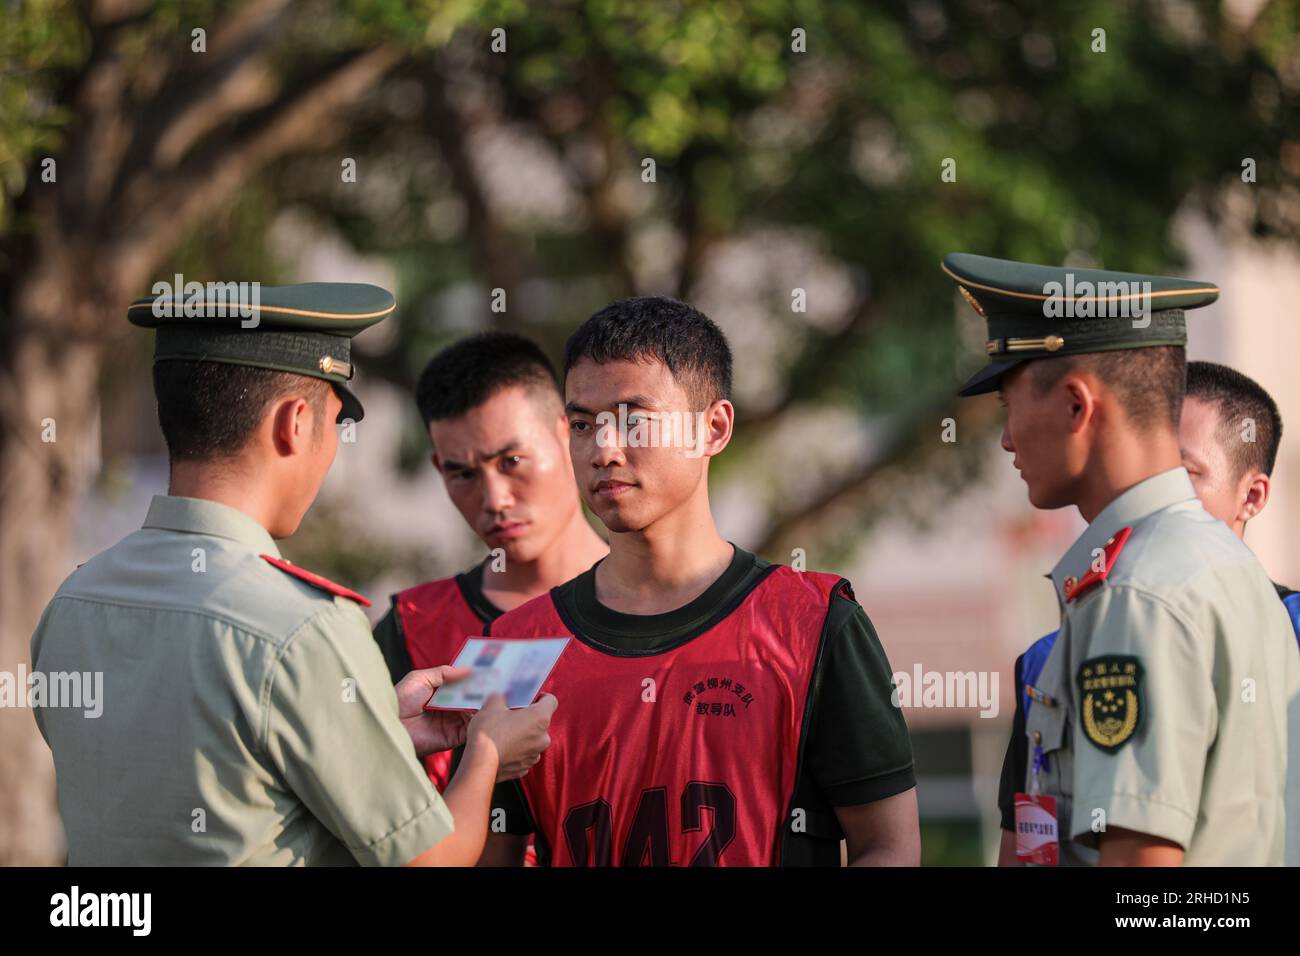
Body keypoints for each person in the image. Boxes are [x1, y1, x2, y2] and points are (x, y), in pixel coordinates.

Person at [30, 283, 554, 865]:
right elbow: (434, 859)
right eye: (335, 423)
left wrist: (370, 729)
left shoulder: (74, 601)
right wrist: (485, 753)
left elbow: (205, 772)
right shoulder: (302, 624)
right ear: (296, 423)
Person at [479, 296, 919, 867]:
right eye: (583, 425)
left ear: (712, 428)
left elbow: (888, 847)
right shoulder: (512, 646)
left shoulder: (818, 623)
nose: (604, 450)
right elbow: (487, 854)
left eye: (633, 419)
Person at [945, 252, 1299, 865]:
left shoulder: (1137, 590)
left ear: (1077, 407)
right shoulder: (1220, 561)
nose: (1006, 438)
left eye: (1010, 406)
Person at [372, 332, 607, 791]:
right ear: (439, 469)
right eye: (463, 473)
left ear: (569, 432)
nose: (495, 500)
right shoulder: (413, 627)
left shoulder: (662, 607)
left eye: (511, 460)